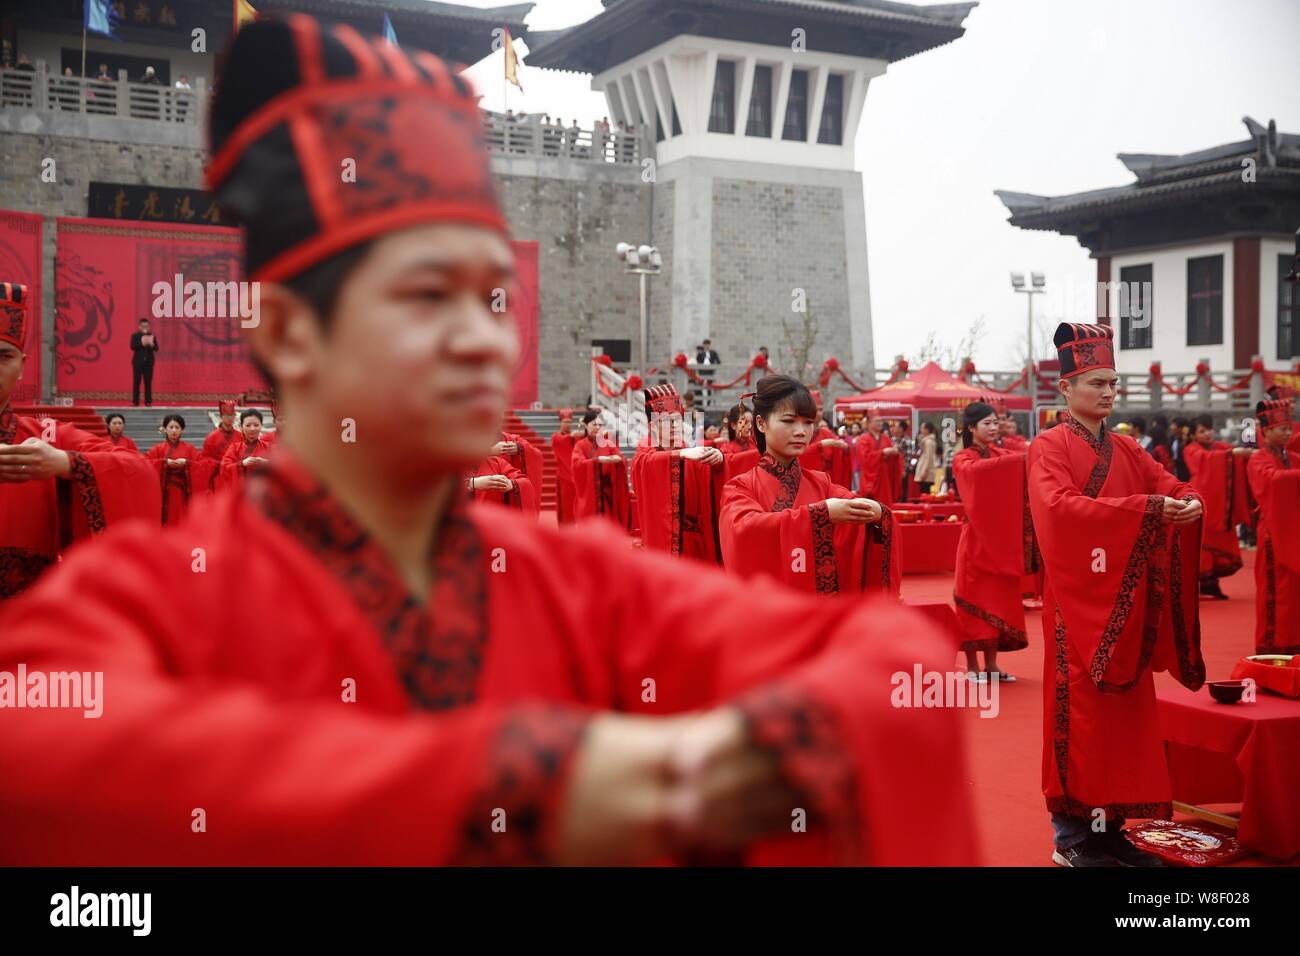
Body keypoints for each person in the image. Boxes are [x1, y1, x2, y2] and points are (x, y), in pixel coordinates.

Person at [0, 18, 975, 866]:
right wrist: (525, 789)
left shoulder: (574, 584)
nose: (482, 337)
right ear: (288, 330)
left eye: (491, 295)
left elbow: (887, 659)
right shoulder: (158, 599)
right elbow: (39, 750)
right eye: (427, 295)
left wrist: (736, 758)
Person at [1028, 323, 1204, 867]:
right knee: (1078, 718)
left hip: (1122, 606)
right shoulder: (1048, 447)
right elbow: (1057, 511)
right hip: (1075, 608)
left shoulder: (1126, 447)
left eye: (1113, 382)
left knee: (1121, 723)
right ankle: (1073, 838)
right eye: (1096, 382)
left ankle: (1111, 830)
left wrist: (1188, 498)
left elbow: (1166, 483)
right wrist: (1145, 511)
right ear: (1066, 388)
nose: (1108, 392)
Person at [0, 281, 159, 599]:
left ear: (22, 366)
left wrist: (64, 463)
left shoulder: (45, 439)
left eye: (4, 356)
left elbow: (137, 470)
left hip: (30, 630)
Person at [719, 375, 899, 596]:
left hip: (818, 614)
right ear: (761, 423)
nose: (801, 431)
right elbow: (745, 530)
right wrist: (820, 515)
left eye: (808, 422)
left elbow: (862, 508)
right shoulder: (739, 488)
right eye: (788, 421)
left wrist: (878, 513)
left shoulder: (822, 483)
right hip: (766, 615)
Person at [951, 402, 1033, 683]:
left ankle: (992, 665)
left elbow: (1019, 464)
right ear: (971, 428)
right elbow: (977, 472)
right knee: (973, 601)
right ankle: (973, 666)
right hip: (975, 542)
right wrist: (1017, 460)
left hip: (999, 541)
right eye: (987, 423)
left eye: (996, 422)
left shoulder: (1002, 453)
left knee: (998, 600)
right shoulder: (962, 458)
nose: (993, 427)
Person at [631, 385, 725, 563]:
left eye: (678, 419)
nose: (675, 425)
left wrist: (718, 461)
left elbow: (704, 478)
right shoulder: (645, 450)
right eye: (668, 421)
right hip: (663, 540)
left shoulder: (685, 448)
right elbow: (644, 465)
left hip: (691, 540)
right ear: (653, 425)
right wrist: (677, 455)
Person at [1246, 398, 1299, 654]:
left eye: (1290, 428)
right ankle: (1274, 651)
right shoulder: (1258, 459)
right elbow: (1273, 480)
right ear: (1266, 431)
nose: (1288, 433)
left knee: (1294, 595)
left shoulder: (1292, 458)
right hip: (1273, 536)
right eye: (1283, 429)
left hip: (1294, 533)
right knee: (1277, 593)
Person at [1183, 414, 1251, 600]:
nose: (1208, 433)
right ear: (1193, 435)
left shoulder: (1220, 447)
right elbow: (1207, 458)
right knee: (1201, 540)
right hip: (1201, 499)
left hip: (1219, 501)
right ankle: (1199, 583)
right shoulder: (1191, 449)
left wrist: (1241, 452)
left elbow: (1229, 451)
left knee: (1215, 538)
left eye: (1209, 429)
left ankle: (1210, 583)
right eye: (1202, 431)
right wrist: (1233, 454)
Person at [145, 414, 215, 525]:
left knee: (183, 521)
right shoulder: (157, 449)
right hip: (163, 493)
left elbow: (202, 465)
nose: (174, 431)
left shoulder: (189, 449)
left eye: (177, 428)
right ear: (164, 429)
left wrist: (187, 464)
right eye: (171, 427)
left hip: (183, 493)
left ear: (182, 429)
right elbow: (145, 464)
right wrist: (164, 463)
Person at [571, 410, 632, 529]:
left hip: (607, 492)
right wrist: (598, 460)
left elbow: (621, 457)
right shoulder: (580, 445)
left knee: (608, 527)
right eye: (594, 424)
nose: (597, 427)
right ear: (586, 425)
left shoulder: (608, 443)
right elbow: (577, 464)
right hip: (590, 492)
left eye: (600, 425)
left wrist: (618, 460)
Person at [799, 390, 852, 488]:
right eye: (816, 409)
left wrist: (845, 448)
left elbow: (841, 451)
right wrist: (821, 444)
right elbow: (797, 457)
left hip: (827, 484)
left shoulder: (826, 432)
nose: (819, 413)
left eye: (821, 410)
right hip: (805, 484)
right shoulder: (797, 432)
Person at [852, 409, 899, 506]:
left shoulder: (885, 438)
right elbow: (865, 459)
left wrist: (895, 453)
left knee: (885, 505)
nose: (880, 423)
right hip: (870, 478)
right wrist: (883, 453)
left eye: (881, 421)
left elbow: (893, 457)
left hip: (884, 478)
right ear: (869, 423)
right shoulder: (863, 439)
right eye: (877, 421)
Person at [220, 409, 272, 490]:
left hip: (264, 495)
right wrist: (241, 464)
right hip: (240, 494)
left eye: (256, 425)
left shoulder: (269, 447)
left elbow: (286, 468)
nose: (252, 429)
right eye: (248, 425)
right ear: (241, 427)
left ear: (261, 425)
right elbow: (224, 468)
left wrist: (269, 464)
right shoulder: (234, 448)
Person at [490, 430, 543, 511]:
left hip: (506, 482)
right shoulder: (470, 437)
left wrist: (521, 449)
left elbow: (537, 454)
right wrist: (489, 450)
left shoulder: (511, 439)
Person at [201, 400, 242, 485]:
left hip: (235, 476)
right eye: (227, 415)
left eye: (232, 415)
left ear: (235, 416)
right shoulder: (211, 437)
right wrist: (221, 465)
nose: (229, 418)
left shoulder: (241, 436)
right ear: (221, 416)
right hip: (218, 476)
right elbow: (205, 458)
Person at [549, 409, 578, 523]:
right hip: (564, 476)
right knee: (565, 505)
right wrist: (573, 436)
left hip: (575, 476)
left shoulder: (574, 437)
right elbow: (562, 441)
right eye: (565, 422)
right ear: (560, 422)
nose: (568, 424)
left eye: (570, 422)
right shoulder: (556, 437)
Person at [720, 401, 760, 482]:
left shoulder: (758, 444)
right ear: (733, 425)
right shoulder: (726, 449)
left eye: (751, 423)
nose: (749, 426)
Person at [130, 318, 159, 406]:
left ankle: (148, 401)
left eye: (146, 326)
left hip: (149, 362)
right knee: (137, 381)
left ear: (149, 326)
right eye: (143, 326)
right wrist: (142, 343)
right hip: (138, 362)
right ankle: (135, 401)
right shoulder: (135, 336)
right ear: (139, 326)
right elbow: (132, 346)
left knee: (148, 382)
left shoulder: (152, 335)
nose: (145, 327)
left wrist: (152, 344)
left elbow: (156, 348)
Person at [913, 421, 938, 495]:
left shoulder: (929, 442)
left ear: (927, 430)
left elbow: (928, 458)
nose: (921, 430)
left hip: (926, 471)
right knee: (924, 491)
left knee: (925, 492)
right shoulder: (927, 441)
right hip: (926, 470)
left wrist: (924, 471)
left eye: (922, 428)